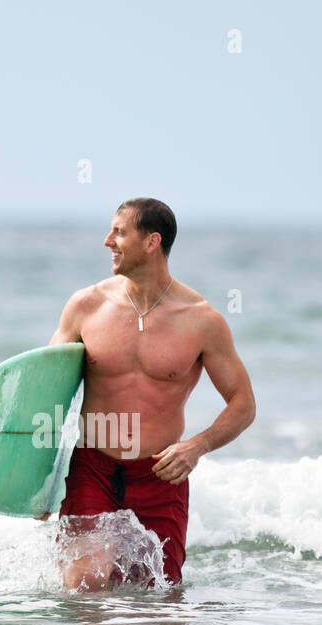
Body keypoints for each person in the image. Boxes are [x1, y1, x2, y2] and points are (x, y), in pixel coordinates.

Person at [45, 197, 256, 589]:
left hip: (161, 476)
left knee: (159, 601)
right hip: (92, 468)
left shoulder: (201, 320)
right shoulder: (86, 306)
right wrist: (38, 480)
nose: (107, 240)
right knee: (86, 586)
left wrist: (196, 446)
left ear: (151, 241)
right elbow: (45, 392)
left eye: (119, 232)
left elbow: (243, 404)